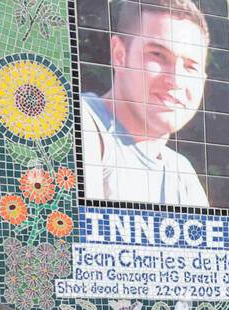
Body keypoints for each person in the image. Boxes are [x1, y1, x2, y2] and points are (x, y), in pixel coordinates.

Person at [80, 0, 211, 206]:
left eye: (190, 66)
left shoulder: (182, 177)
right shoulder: (81, 126)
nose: (175, 80)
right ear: (119, 55)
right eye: (157, 55)